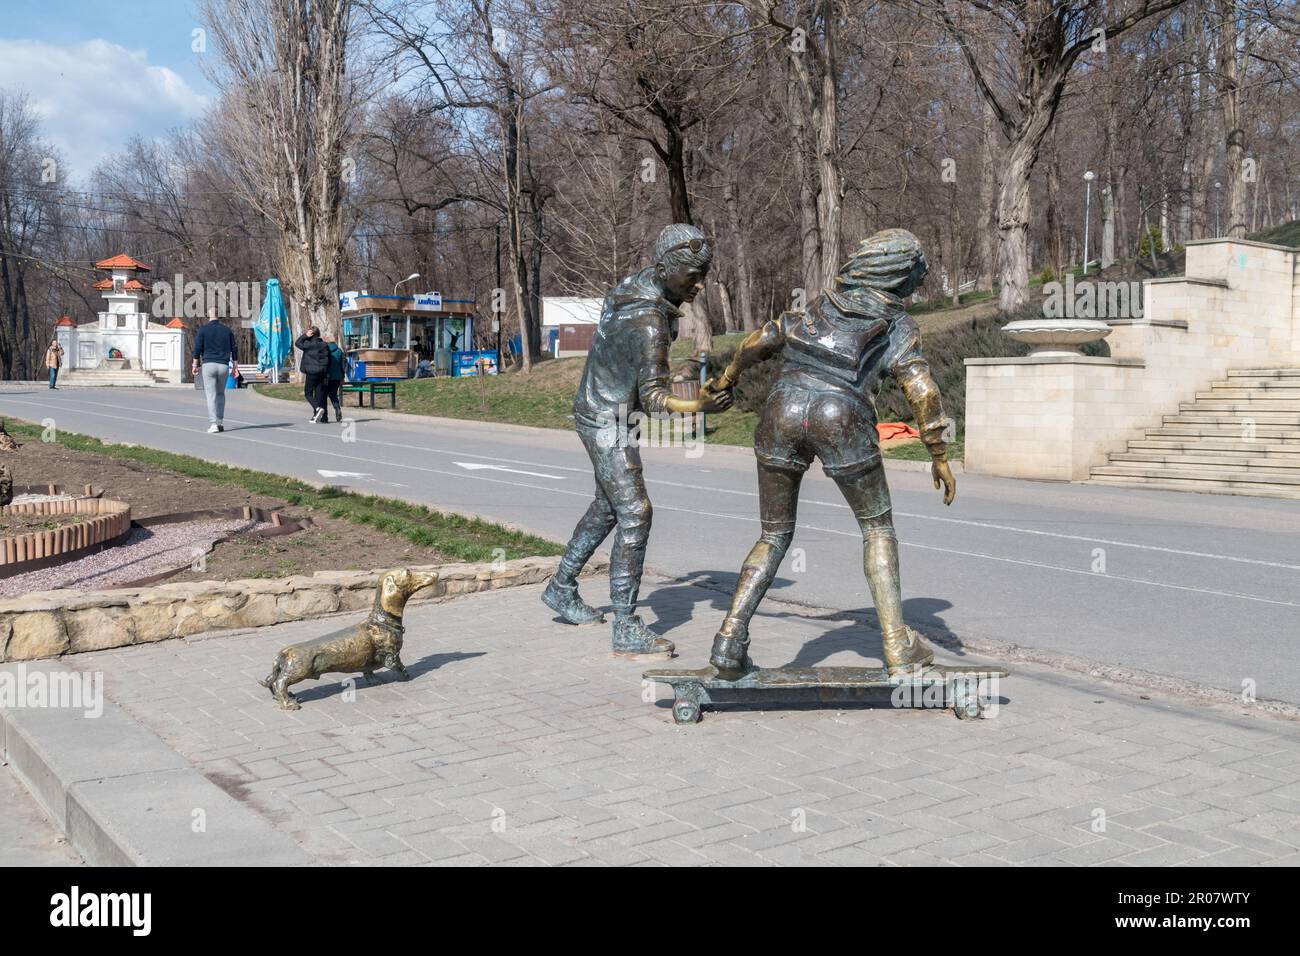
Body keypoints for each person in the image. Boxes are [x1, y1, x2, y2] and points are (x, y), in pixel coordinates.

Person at [703, 228, 957, 678]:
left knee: (774, 535)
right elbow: (922, 388)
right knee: (878, 528)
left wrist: (726, 379)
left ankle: (729, 638)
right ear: (899, 273)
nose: (922, 277)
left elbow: (760, 340)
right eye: (918, 269)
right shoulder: (898, 325)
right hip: (841, 415)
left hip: (782, 408)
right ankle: (898, 645)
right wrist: (938, 451)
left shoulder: (816, 307)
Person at [540, 224, 733, 657]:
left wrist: (674, 371)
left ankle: (560, 586)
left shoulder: (633, 288)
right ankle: (626, 624)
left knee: (608, 505)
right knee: (635, 512)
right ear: (665, 268)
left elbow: (643, 375)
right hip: (607, 418)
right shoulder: (650, 322)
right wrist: (699, 405)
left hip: (603, 407)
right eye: (693, 276)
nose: (700, 285)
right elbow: (655, 400)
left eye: (704, 274)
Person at [192, 308, 238, 433]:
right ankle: (220, 422)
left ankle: (213, 424)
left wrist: (194, 365)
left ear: (208, 315)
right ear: (219, 316)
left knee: (211, 395)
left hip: (209, 365)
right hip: (223, 365)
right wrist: (235, 368)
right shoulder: (227, 331)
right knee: (220, 394)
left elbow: (197, 349)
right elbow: (234, 349)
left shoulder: (203, 330)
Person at [295, 325, 330, 423]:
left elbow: (297, 343)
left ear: (311, 334)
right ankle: (316, 416)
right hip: (322, 372)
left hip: (311, 372)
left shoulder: (308, 344)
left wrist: (305, 335)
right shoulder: (324, 345)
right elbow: (329, 359)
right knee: (318, 394)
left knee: (308, 393)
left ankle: (317, 409)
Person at [323, 334, 347, 423]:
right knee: (333, 394)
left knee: (324, 395)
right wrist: (342, 377)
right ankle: (337, 408)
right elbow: (343, 365)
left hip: (327, 376)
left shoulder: (325, 350)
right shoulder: (339, 351)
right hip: (337, 377)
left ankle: (324, 415)